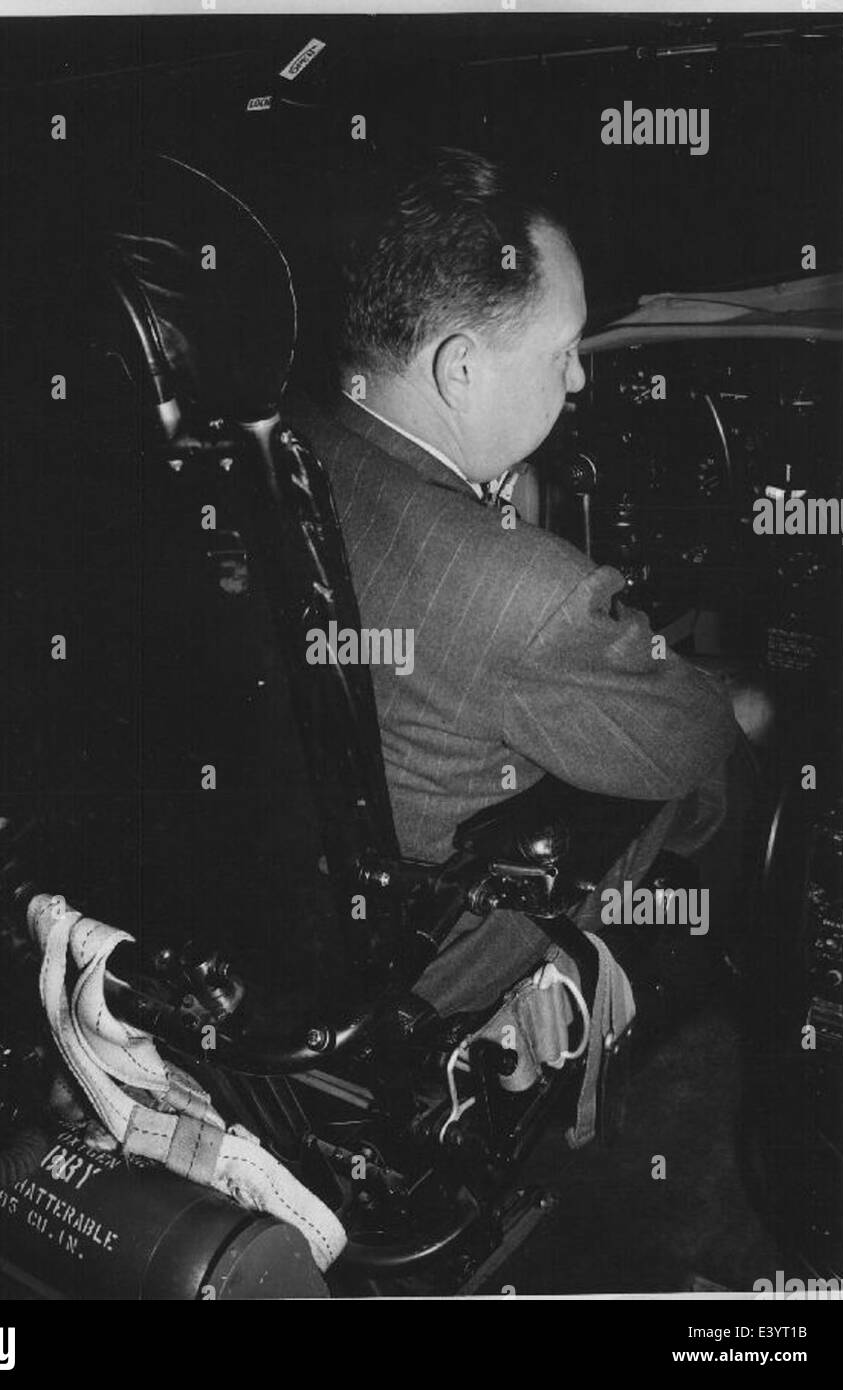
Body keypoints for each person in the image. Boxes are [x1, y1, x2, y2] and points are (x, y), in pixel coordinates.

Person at [288, 147, 747, 1015]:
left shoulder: (288, 444)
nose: (578, 380)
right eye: (564, 351)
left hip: (275, 912)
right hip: (423, 956)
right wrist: (732, 697)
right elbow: (690, 738)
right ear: (459, 369)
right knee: (727, 743)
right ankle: (725, 993)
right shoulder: (524, 591)